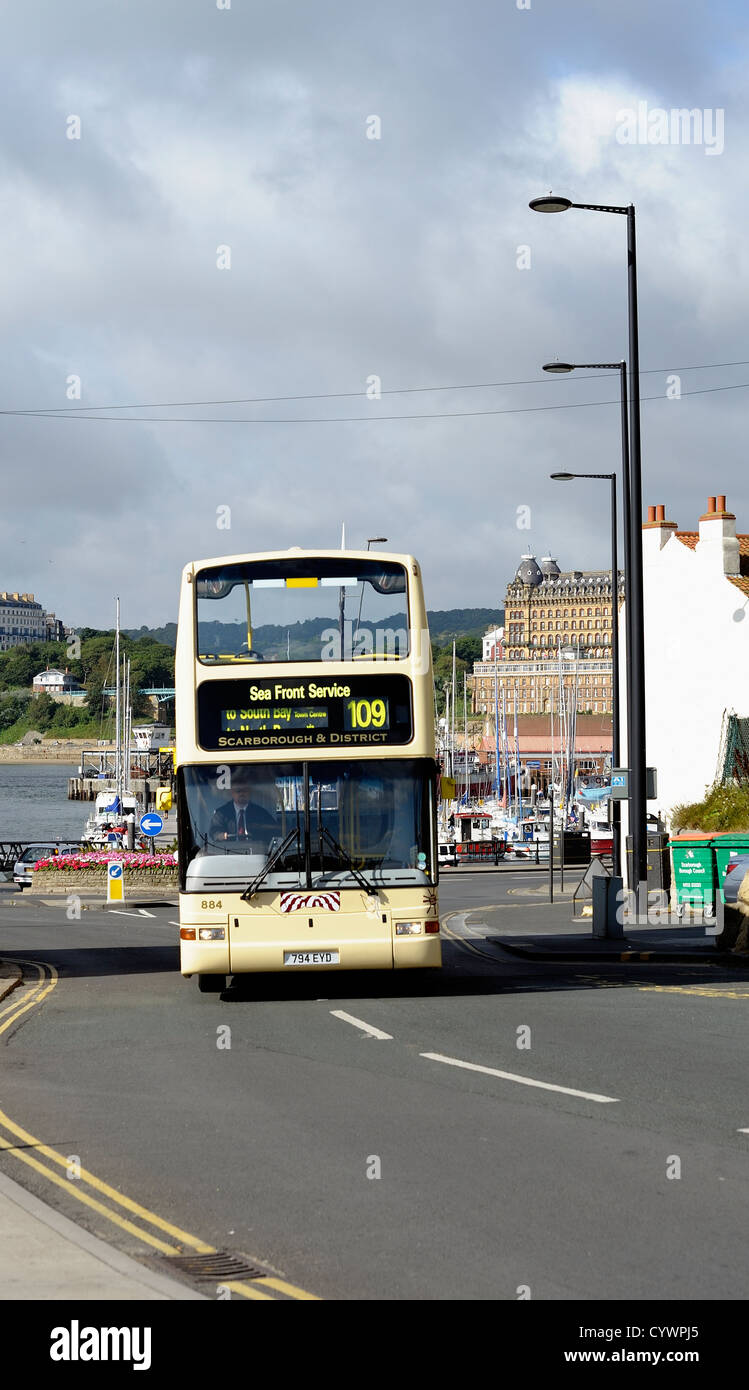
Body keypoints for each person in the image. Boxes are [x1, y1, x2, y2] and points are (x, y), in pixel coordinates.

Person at [209, 768, 277, 846]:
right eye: (238, 791)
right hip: (228, 853)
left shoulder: (261, 813)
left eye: (245, 790)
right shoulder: (221, 813)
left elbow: (273, 832)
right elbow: (214, 831)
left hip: (256, 853)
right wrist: (220, 835)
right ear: (232, 792)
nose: (242, 793)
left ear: (250, 792)